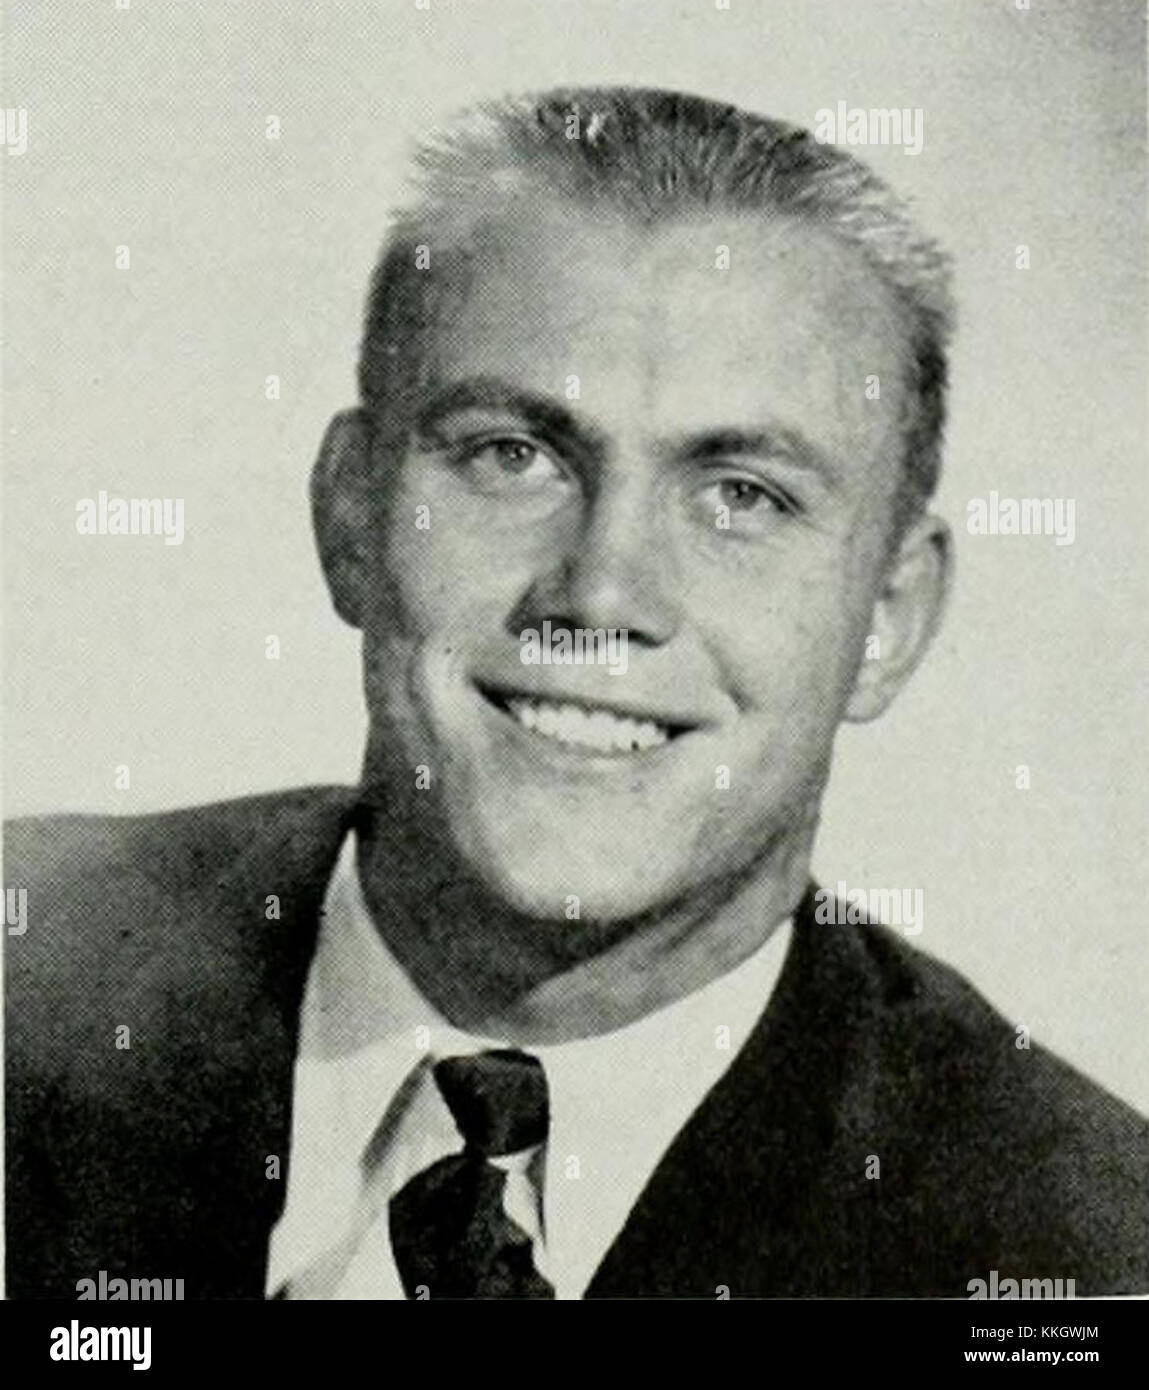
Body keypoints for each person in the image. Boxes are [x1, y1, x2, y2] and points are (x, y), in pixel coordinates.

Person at [6, 87, 1146, 1300]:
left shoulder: (1075, 1257)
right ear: (349, 510)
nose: (602, 593)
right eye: (515, 455)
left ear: (890, 618)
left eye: (742, 495)